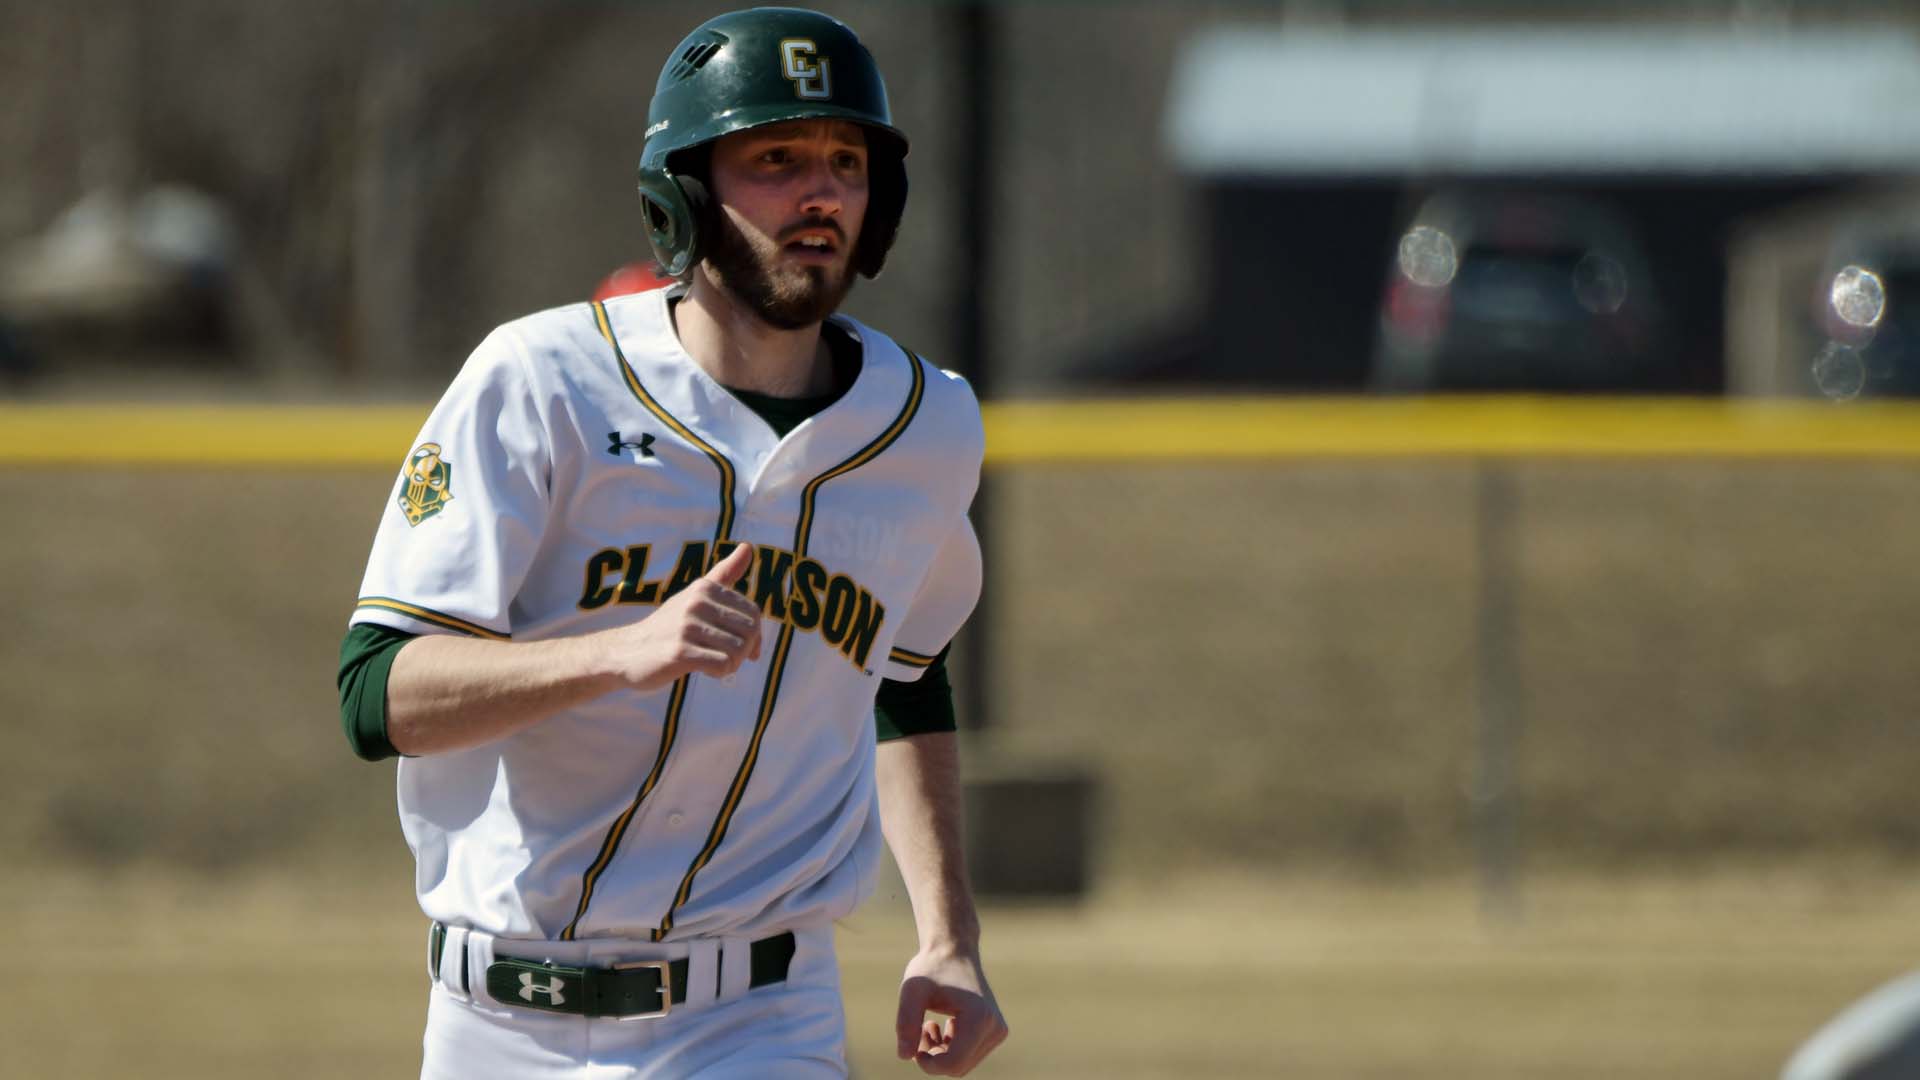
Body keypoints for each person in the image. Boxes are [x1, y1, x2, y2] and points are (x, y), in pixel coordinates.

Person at [336, 8, 1007, 1076]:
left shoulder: (927, 424)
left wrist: (950, 939)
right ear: (683, 192)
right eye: (776, 157)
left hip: (757, 1018)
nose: (821, 191)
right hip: (500, 1023)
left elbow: (908, 674)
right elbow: (376, 696)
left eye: (847, 160)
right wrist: (615, 652)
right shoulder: (539, 382)